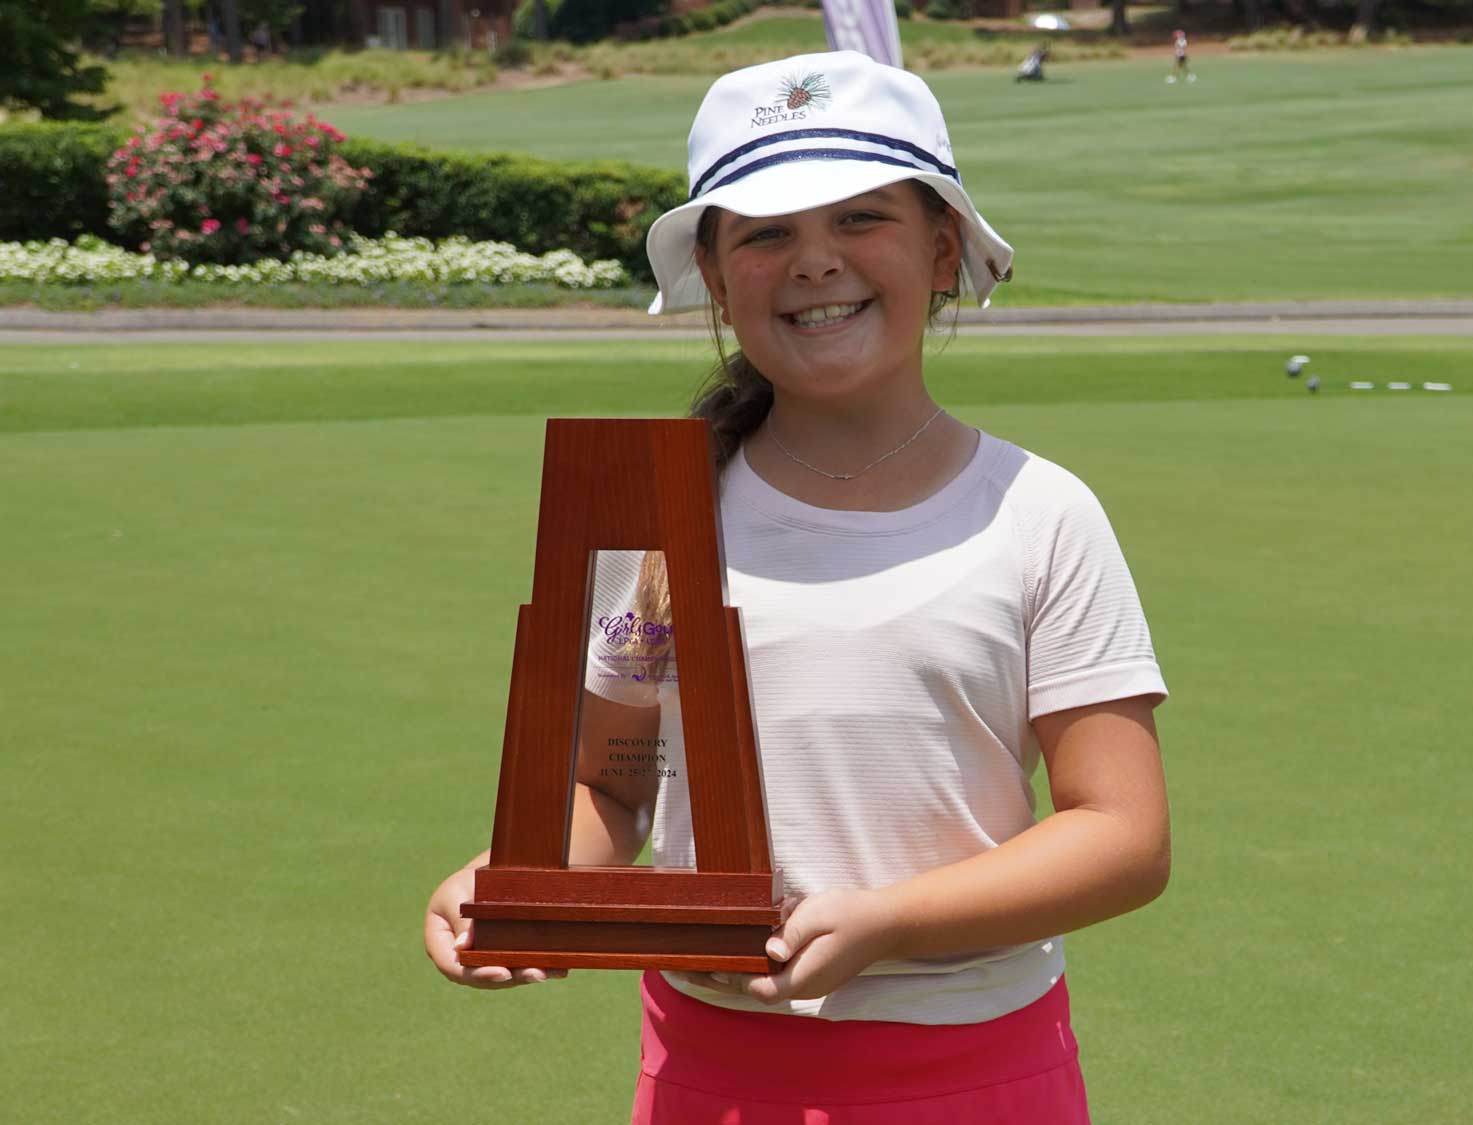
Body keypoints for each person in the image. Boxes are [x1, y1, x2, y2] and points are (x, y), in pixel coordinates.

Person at [421, 50, 1173, 1125]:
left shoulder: (1040, 511)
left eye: (860, 219)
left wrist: (891, 920)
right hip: (711, 1073)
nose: (816, 262)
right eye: (766, 234)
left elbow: (1120, 834)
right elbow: (613, 786)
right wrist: (511, 881)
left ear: (943, 248)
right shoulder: (663, 516)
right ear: (718, 280)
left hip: (971, 1072)